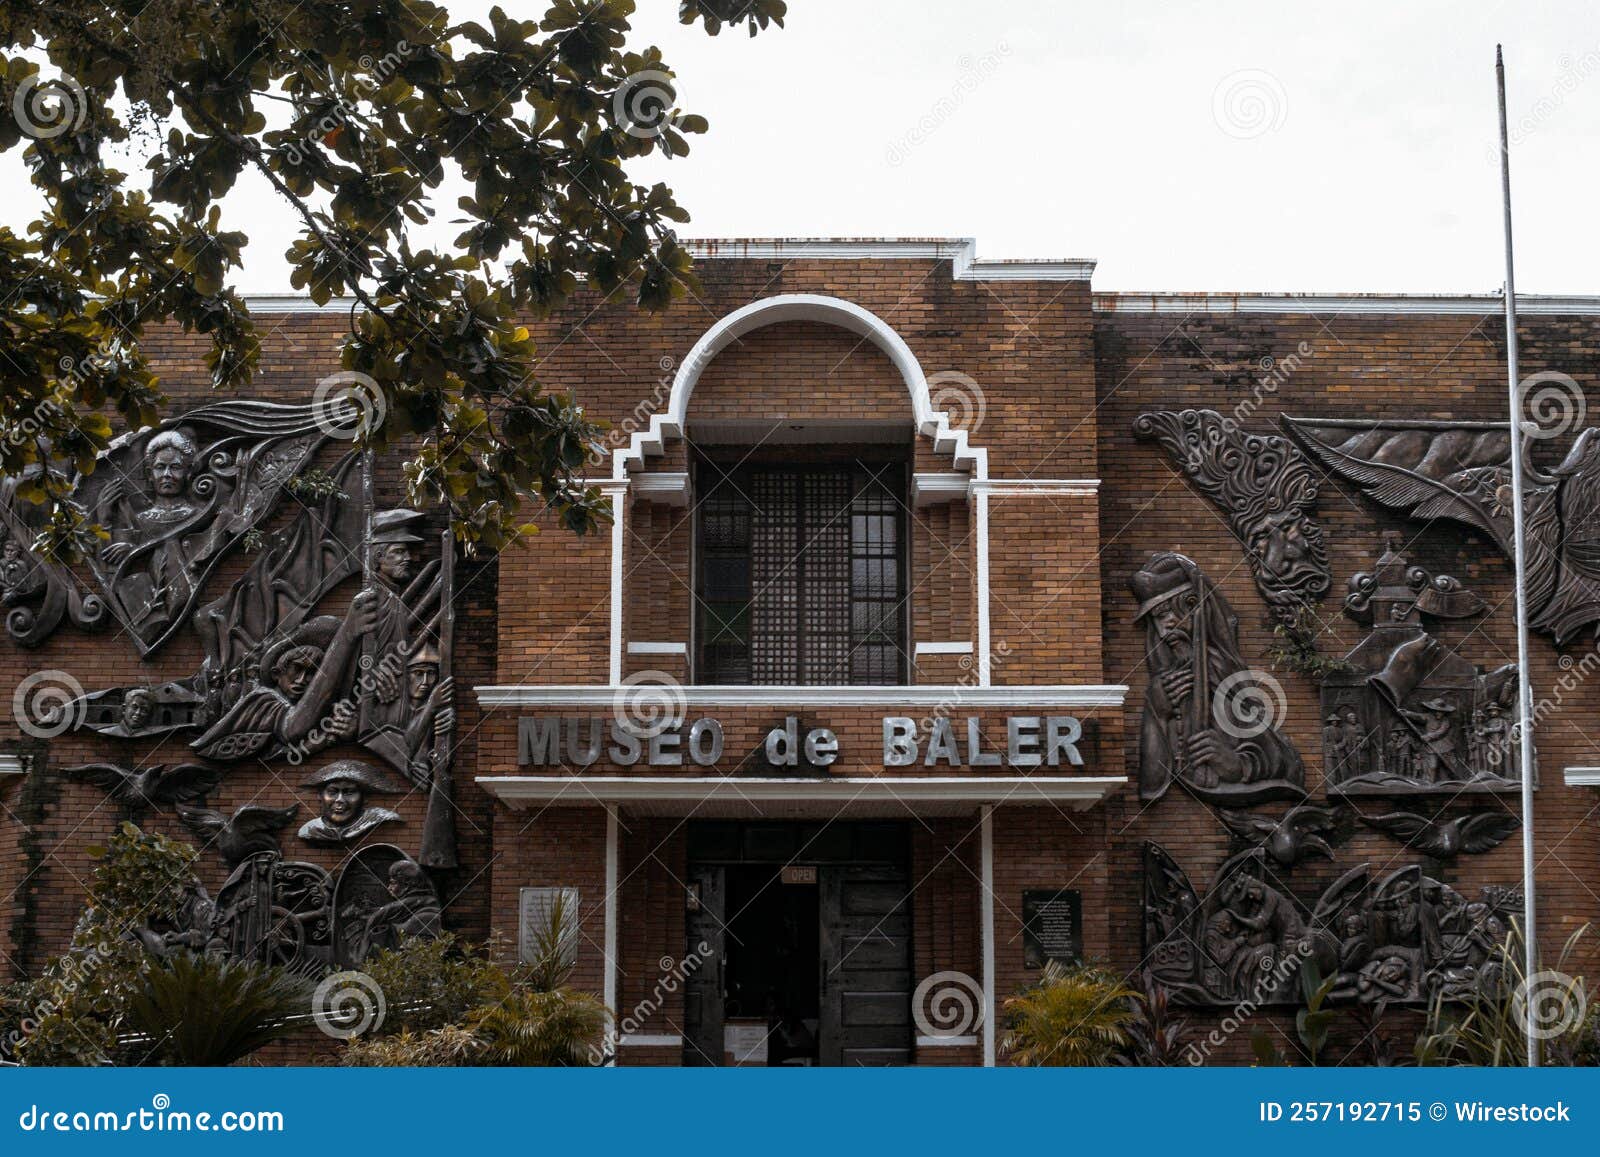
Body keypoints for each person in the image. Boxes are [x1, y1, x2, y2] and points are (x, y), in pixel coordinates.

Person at [1131, 552, 1304, 798]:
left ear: (1190, 605)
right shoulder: (1164, 685)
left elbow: (1282, 761)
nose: (1162, 631)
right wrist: (1156, 712)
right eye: (1155, 621)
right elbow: (1151, 786)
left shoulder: (1220, 669)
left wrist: (1238, 765)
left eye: (1165, 615)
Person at [296, 759, 404, 845]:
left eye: (349, 792)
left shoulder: (379, 819)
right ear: (320, 796)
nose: (340, 800)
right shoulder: (310, 829)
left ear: (365, 798)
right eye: (332, 792)